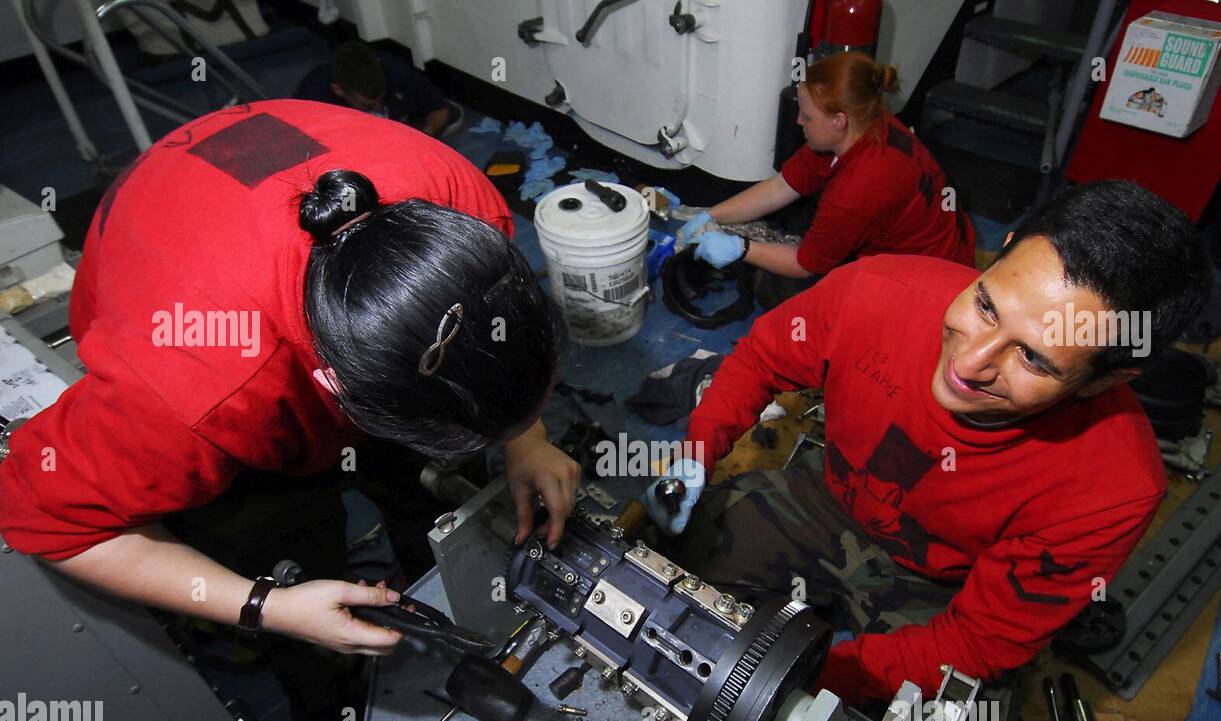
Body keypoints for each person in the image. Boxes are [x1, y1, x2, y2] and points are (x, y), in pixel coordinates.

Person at [0, 99, 579, 660]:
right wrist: (265, 607)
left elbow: (479, 351)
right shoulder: (189, 397)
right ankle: (329, 709)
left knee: (422, 489)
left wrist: (528, 439)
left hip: (248, 203)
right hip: (168, 257)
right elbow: (43, 516)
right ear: (332, 391)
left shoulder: (464, 208)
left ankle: (421, 578)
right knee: (289, 550)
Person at [644, 180, 1213, 708]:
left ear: (1108, 380)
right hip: (826, 498)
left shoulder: (1114, 488)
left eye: (1033, 357)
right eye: (986, 306)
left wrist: (800, 683)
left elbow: (976, 643)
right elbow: (763, 356)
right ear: (1004, 250)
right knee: (653, 573)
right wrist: (698, 450)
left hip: (943, 587)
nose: (968, 363)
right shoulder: (877, 290)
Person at [677, 51, 974, 309]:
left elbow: (804, 264)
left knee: (785, 296)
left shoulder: (859, 187)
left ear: (838, 121)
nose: (798, 121)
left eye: (806, 116)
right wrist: (709, 214)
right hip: (945, 242)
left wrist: (740, 249)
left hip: (928, 285)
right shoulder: (865, 122)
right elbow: (779, 188)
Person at [294, 40, 463, 140]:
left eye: (381, 99)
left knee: (447, 117)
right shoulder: (313, 98)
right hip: (346, 147)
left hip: (402, 133)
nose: (377, 107)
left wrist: (425, 138)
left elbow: (438, 109)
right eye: (367, 105)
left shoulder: (394, 71)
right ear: (338, 90)